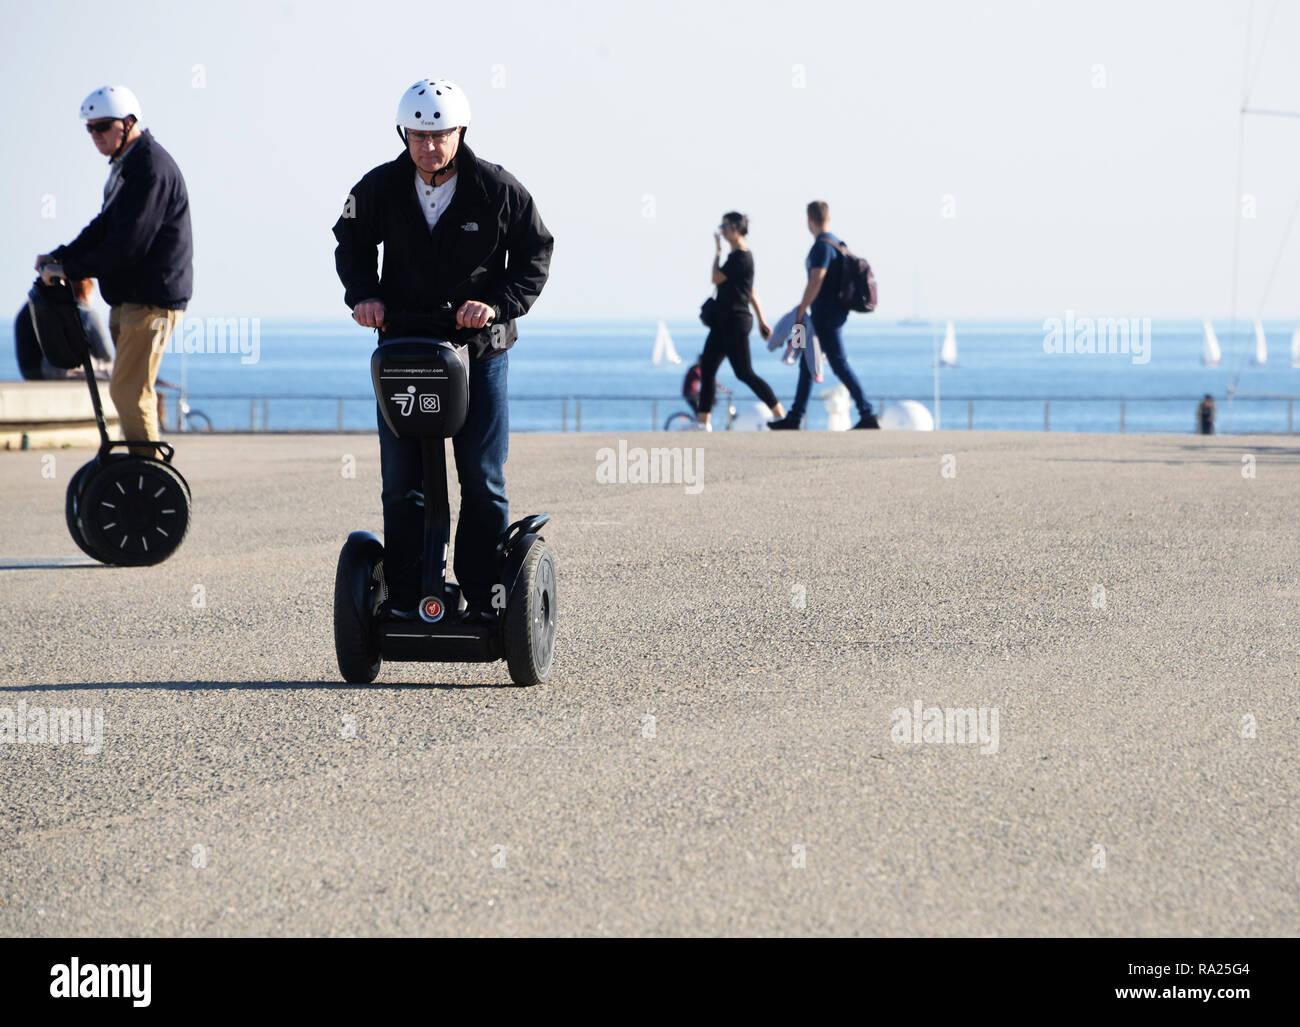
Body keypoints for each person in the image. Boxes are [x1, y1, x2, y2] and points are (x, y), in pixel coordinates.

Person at [333, 79, 553, 623]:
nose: (429, 146)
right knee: (401, 480)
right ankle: (408, 596)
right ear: (404, 134)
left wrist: (496, 304)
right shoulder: (379, 186)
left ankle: (482, 598)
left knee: (481, 475)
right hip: (405, 349)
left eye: (440, 135)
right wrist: (364, 296)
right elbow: (350, 243)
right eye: (419, 135)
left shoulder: (498, 189)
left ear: (460, 132)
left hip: (480, 352)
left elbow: (535, 254)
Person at [35, 85, 192, 446]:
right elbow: (103, 226)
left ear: (128, 123)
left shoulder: (150, 168)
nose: (96, 136)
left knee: (128, 392)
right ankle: (140, 472)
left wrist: (69, 270)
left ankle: (147, 477)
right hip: (130, 299)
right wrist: (61, 256)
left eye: (103, 126)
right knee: (133, 391)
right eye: (90, 128)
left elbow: (127, 246)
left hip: (152, 301)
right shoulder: (127, 166)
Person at [768, 200, 878, 430]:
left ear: (809, 221)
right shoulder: (837, 243)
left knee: (838, 363)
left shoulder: (822, 247)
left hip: (825, 314)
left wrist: (801, 309)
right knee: (809, 363)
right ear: (828, 217)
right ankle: (795, 417)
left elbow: (816, 279)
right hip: (832, 313)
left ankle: (867, 413)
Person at [697, 213, 785, 430]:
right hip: (723, 322)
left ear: (737, 228)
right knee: (707, 368)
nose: (723, 230)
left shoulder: (741, 258)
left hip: (735, 322)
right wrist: (763, 320)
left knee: (744, 372)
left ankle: (779, 413)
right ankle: (703, 423)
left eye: (726, 226)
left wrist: (717, 253)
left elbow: (715, 278)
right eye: (722, 226)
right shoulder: (736, 257)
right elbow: (751, 292)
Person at [14, 278, 114, 381]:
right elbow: (107, 354)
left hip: (30, 371)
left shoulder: (35, 304)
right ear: (86, 292)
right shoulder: (85, 313)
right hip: (58, 368)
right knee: (117, 373)